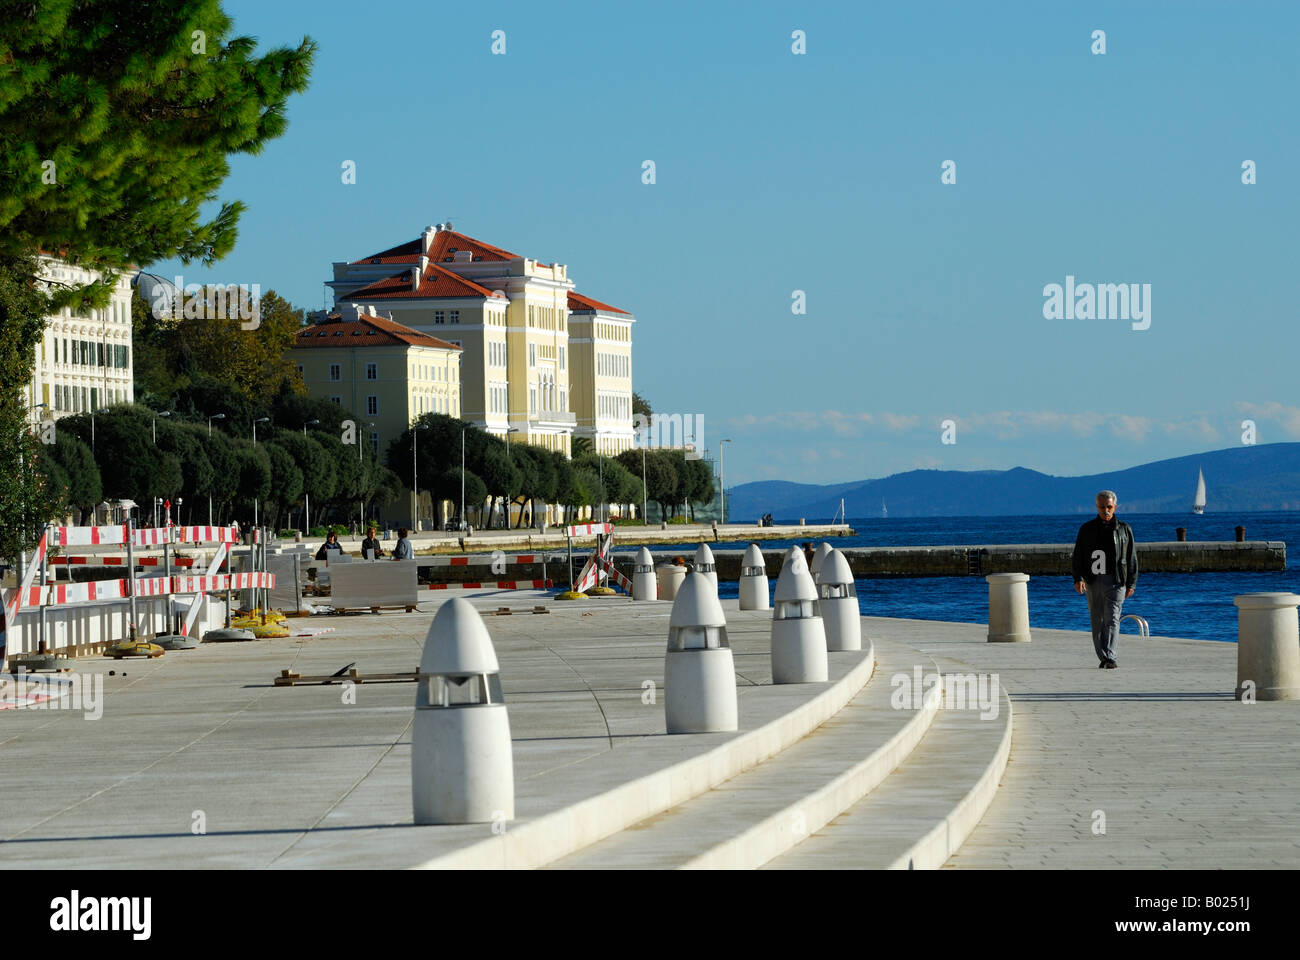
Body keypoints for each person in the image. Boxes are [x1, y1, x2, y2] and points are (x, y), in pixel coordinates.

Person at [1071, 490, 1138, 669]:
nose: (1106, 510)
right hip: (1093, 580)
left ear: (1115, 507)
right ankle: (1102, 655)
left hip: (1116, 581)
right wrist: (1078, 578)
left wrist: (1131, 582)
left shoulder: (1124, 529)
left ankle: (1110, 656)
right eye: (1102, 507)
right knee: (1097, 619)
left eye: (1109, 507)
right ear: (1097, 507)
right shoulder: (1087, 529)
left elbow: (1131, 558)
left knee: (1112, 618)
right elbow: (1078, 556)